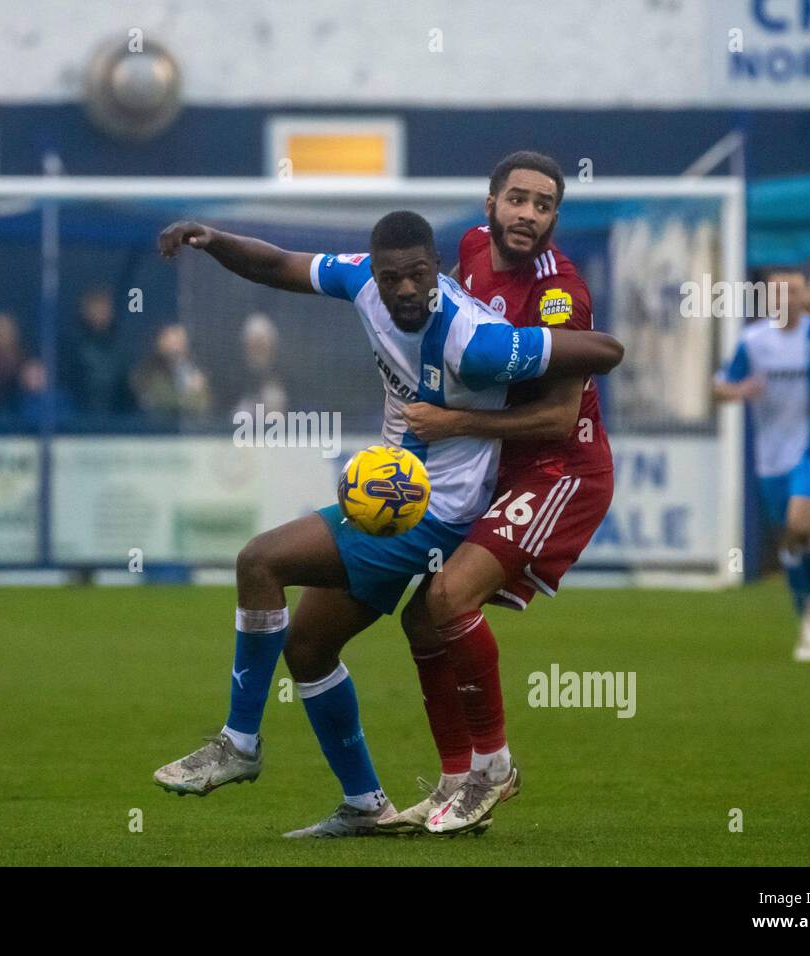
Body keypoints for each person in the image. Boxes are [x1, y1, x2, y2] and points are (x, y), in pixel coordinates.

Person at [150, 211, 623, 837]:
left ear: (435, 271)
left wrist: (535, 344)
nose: (404, 290)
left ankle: (239, 744)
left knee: (260, 561)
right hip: (392, 502)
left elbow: (607, 351)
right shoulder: (362, 282)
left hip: (434, 513)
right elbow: (280, 263)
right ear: (374, 271)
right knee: (310, 647)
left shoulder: (473, 339)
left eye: (418, 276)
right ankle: (366, 807)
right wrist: (213, 241)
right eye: (392, 276)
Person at [380, 150, 617, 835]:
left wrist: (453, 421)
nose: (529, 215)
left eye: (544, 206)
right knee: (421, 618)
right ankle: (458, 782)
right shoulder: (472, 250)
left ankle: (496, 768)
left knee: (449, 596)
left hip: (561, 471)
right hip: (504, 465)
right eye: (518, 199)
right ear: (490, 204)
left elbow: (556, 415)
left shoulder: (561, 294)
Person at [714, 268, 810, 662]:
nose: (788, 298)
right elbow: (719, 384)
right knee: (791, 541)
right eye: (779, 292)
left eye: (794, 290)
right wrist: (738, 390)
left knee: (800, 524)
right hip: (771, 453)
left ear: (806, 295)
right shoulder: (755, 341)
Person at [62, 288, 135, 418]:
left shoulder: (119, 350)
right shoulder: (72, 349)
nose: (100, 314)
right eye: (95, 309)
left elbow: (126, 388)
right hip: (80, 420)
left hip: (116, 420)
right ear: (85, 312)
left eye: (104, 310)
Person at [130, 323, 213, 421]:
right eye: (170, 341)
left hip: (191, 429)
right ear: (160, 343)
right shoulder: (146, 373)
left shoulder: (195, 371)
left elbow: (204, 403)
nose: (175, 347)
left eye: (179, 342)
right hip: (157, 429)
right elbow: (163, 402)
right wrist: (192, 395)